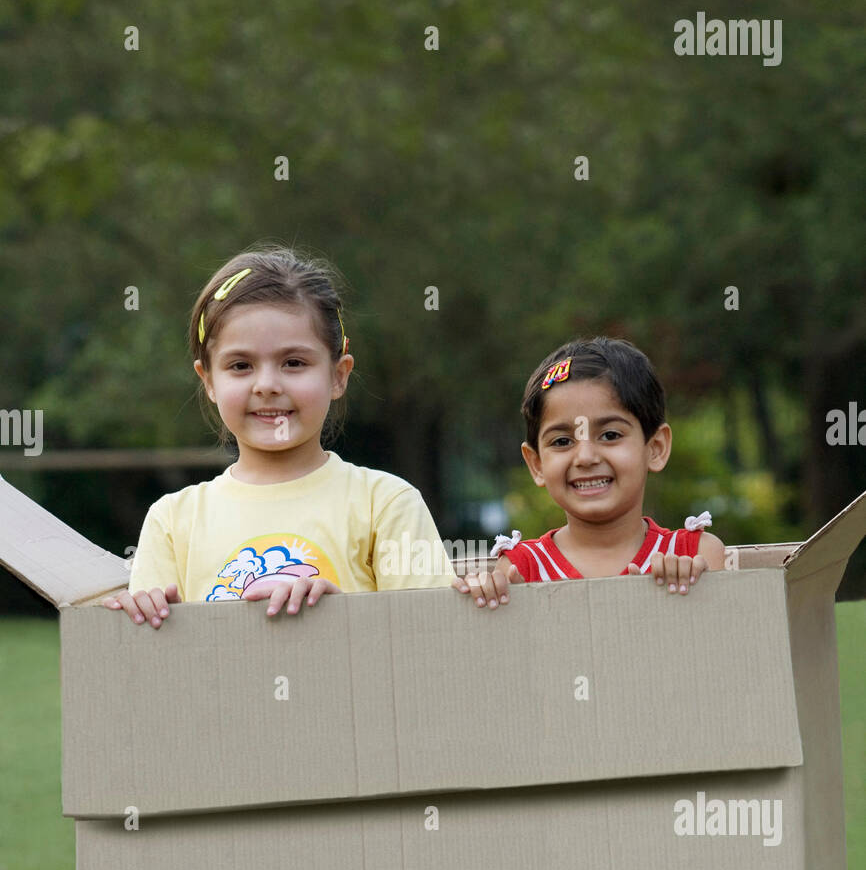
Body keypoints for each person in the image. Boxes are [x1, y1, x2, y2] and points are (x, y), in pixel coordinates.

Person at [105, 246, 455, 628]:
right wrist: (142, 617)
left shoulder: (386, 505)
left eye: (294, 363)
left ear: (338, 375)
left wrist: (343, 620)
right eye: (240, 366)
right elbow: (157, 669)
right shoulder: (172, 522)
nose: (267, 385)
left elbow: (430, 643)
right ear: (208, 381)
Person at [453, 336, 726, 608]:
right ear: (536, 464)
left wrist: (686, 596)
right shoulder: (520, 569)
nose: (585, 457)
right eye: (562, 441)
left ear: (655, 448)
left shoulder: (696, 555)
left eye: (609, 435)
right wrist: (485, 599)